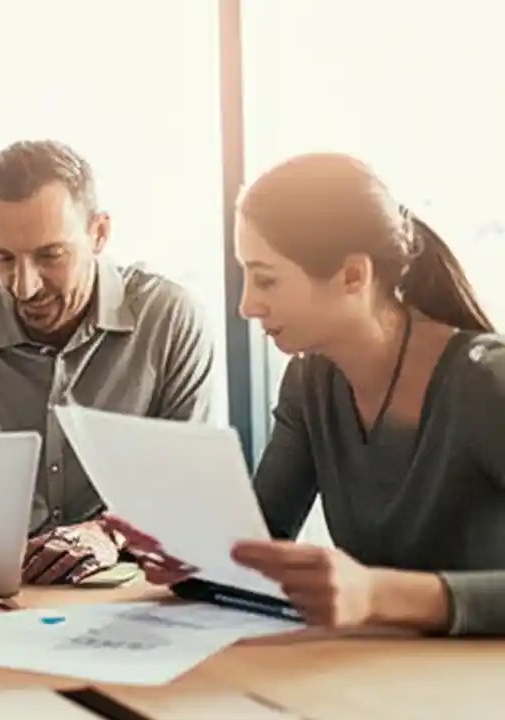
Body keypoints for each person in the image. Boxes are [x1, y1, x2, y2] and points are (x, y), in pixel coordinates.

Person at [114, 152, 505, 636]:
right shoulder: (309, 383)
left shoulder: (486, 380)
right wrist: (195, 561)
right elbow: (262, 547)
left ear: (353, 276)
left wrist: (380, 594)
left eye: (266, 279)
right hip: (380, 675)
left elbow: (370, 595)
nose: (246, 305)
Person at [0, 140, 216, 586]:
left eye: (50, 256)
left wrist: (108, 531)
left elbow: (185, 483)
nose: (23, 287)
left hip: (133, 584)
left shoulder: (171, 319)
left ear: (99, 234)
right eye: (3, 257)